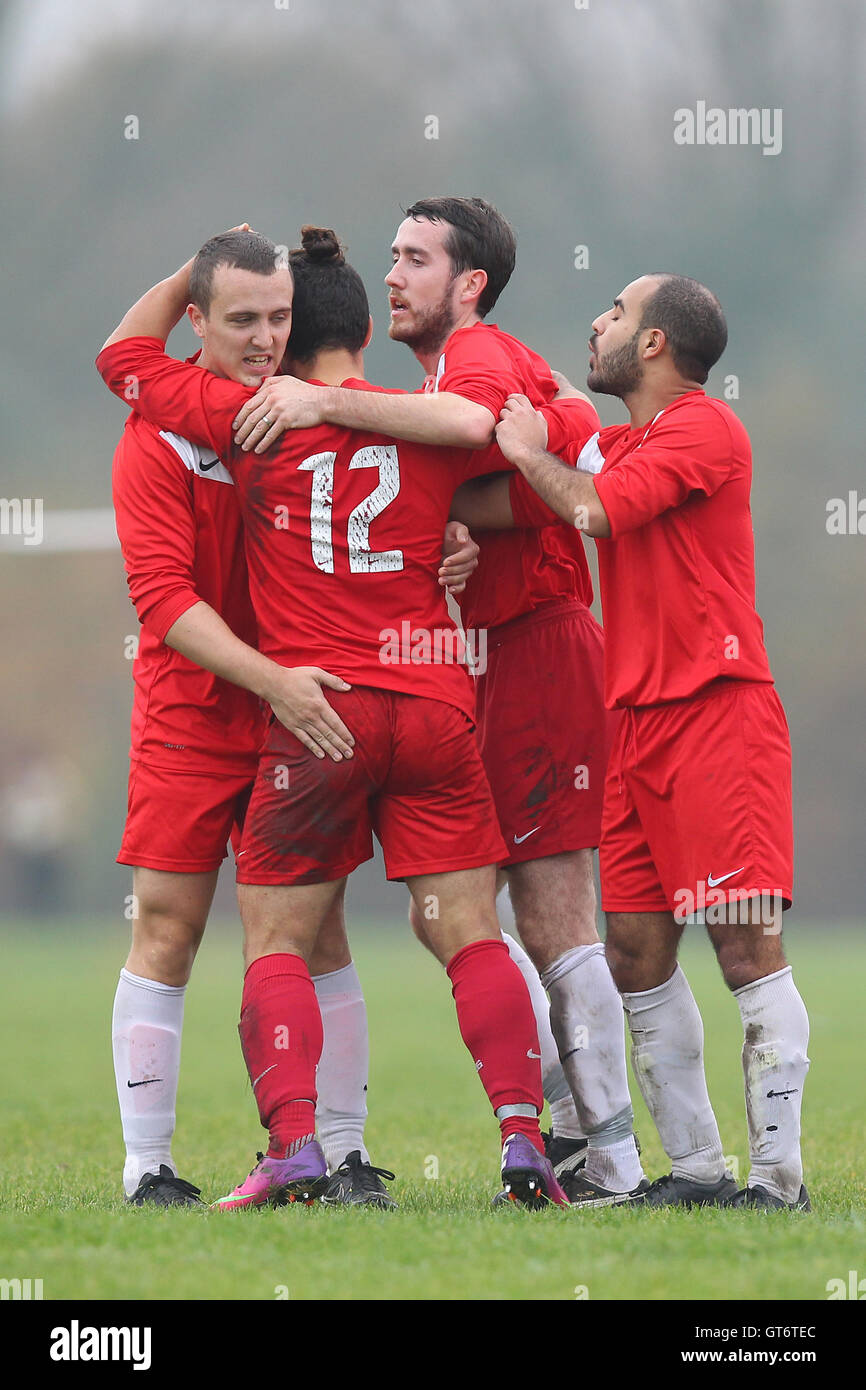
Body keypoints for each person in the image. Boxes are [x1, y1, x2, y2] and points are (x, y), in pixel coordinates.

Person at [97, 226, 570, 1210]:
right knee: (180, 927)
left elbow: (120, 360)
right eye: (240, 318)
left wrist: (443, 532)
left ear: (300, 325)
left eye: (276, 317)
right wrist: (456, 519)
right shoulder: (403, 419)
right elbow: (533, 441)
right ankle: (153, 1167)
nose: (264, 337)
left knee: (300, 937)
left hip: (321, 716)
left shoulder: (256, 420)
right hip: (270, 703)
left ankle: (321, 1153)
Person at [232, 198, 645, 1205]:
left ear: (469, 285)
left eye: (415, 258)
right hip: (449, 679)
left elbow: (517, 425)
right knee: (458, 923)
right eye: (389, 260)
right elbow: (528, 443)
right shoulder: (421, 395)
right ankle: (537, 1135)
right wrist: (462, 520)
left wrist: (322, 406)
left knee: (548, 915)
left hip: (523, 650)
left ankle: (610, 1162)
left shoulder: (476, 359)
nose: (396, 274)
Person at [492, 272, 810, 1210]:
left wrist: (520, 443)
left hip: (719, 715)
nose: (599, 322)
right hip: (634, 729)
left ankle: (779, 1184)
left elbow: (590, 507)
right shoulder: (628, 442)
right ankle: (701, 1174)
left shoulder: (706, 429)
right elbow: (559, 480)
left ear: (659, 345)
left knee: (746, 946)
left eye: (617, 313)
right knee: (634, 953)